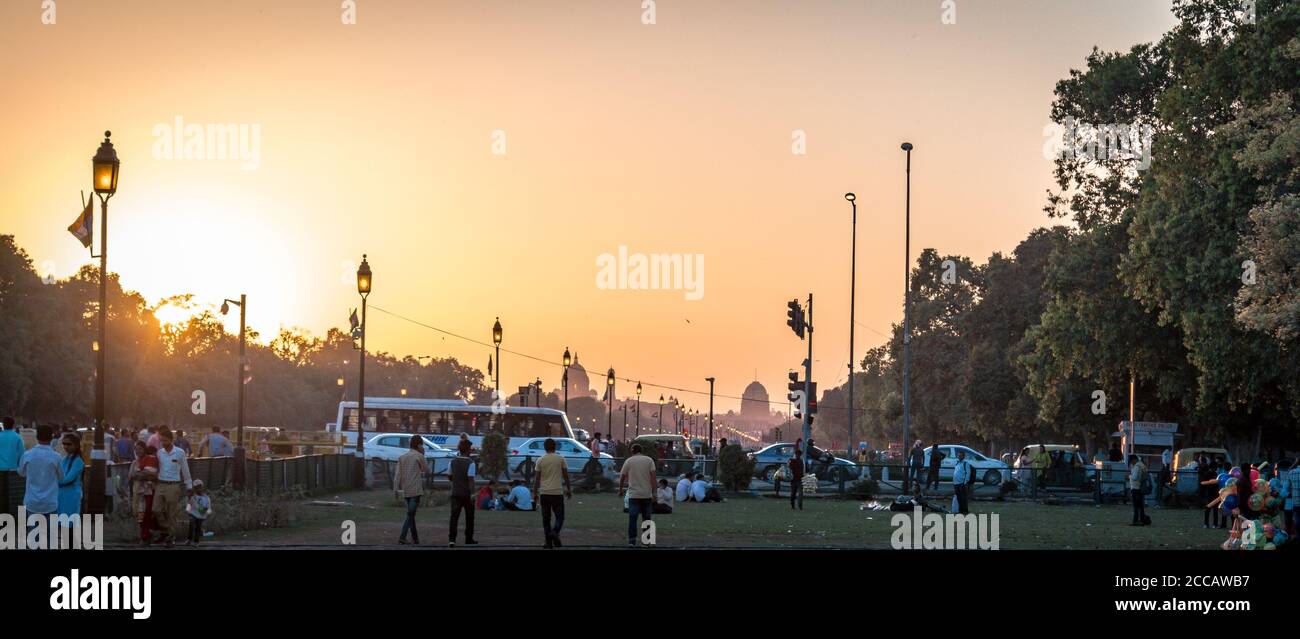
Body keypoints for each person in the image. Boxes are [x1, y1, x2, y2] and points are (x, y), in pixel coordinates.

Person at [18, 425, 63, 531]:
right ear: (51, 437)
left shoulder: (27, 455)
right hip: (50, 502)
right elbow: (61, 477)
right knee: (50, 537)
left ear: (37, 437)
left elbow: (21, 473)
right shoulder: (56, 456)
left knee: (34, 537)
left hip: (32, 502)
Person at [154, 429, 192, 547]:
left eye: (165, 440)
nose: (163, 443)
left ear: (171, 439)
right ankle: (167, 531)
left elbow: (185, 470)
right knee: (156, 510)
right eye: (162, 441)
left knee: (171, 513)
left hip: (173, 485)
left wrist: (189, 485)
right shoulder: (159, 453)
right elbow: (157, 468)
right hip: (161, 484)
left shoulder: (179, 452)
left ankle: (170, 537)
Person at [533, 437, 572, 548]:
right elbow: (566, 476)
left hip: (544, 493)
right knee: (560, 517)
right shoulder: (560, 459)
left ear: (544, 448)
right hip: (557, 493)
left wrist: (535, 493)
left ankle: (548, 543)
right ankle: (555, 532)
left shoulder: (540, 460)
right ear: (555, 447)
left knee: (546, 519)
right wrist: (569, 489)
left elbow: (537, 479)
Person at [394, 435, 430, 545]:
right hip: (415, 490)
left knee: (411, 514)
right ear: (419, 445)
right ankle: (402, 537)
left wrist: (396, 489)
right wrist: (423, 455)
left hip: (406, 489)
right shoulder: (419, 456)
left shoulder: (402, 457)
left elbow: (397, 475)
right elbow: (426, 470)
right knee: (411, 515)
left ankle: (415, 539)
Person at [620, 443, 657, 546]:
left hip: (633, 494)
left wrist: (620, 489)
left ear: (632, 451)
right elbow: (653, 478)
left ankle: (632, 541)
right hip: (646, 494)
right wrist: (655, 492)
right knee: (647, 518)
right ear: (641, 451)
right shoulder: (649, 460)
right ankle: (647, 541)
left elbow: (622, 476)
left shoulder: (629, 461)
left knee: (633, 517)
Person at [447, 439, 478, 547]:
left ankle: (452, 539)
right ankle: (468, 538)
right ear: (468, 450)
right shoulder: (471, 463)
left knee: (454, 517)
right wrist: (473, 494)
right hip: (467, 494)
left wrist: (456, 481)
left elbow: (450, 476)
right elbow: (471, 480)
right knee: (469, 517)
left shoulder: (452, 462)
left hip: (455, 493)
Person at [129, 442, 159, 545]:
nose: (138, 451)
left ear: (144, 449)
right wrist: (143, 475)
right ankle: (147, 535)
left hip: (148, 491)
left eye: (140, 449)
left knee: (147, 514)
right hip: (138, 492)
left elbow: (153, 475)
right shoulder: (134, 462)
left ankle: (145, 537)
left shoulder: (150, 459)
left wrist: (140, 475)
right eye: (136, 449)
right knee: (139, 515)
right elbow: (130, 476)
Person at [57, 433, 85, 521]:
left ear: (76, 445)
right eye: (64, 444)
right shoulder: (65, 458)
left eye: (69, 444)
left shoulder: (78, 461)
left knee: (69, 525)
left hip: (71, 495)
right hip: (62, 494)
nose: (65, 446)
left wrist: (53, 481)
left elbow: (68, 479)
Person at [185, 480, 211, 545]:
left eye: (199, 487)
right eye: (196, 487)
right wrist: (188, 511)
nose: (198, 489)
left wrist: (205, 512)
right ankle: (189, 539)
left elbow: (208, 508)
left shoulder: (206, 498)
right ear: (194, 488)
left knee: (198, 528)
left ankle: (196, 542)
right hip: (193, 514)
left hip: (201, 515)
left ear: (202, 487)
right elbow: (188, 505)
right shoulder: (193, 497)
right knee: (191, 524)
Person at [1129, 454, 1148, 526]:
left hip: (1135, 487)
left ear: (1134, 459)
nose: (1131, 463)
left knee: (1136, 506)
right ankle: (1142, 519)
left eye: (1131, 461)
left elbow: (1134, 477)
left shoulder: (1137, 467)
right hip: (1140, 488)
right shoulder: (1142, 465)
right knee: (1140, 506)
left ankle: (1135, 520)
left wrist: (1129, 476)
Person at [951, 449, 972, 515]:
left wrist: (965, 482)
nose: (959, 457)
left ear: (963, 456)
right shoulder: (957, 463)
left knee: (963, 498)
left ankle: (965, 510)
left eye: (960, 456)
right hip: (956, 483)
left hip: (962, 483)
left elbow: (968, 473)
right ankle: (960, 510)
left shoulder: (966, 464)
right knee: (959, 498)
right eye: (958, 456)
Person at [1285, 460, 1300, 537]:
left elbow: (1286, 488)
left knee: (1297, 521)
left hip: (1296, 502)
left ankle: (1298, 537)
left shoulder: (1291, 472)